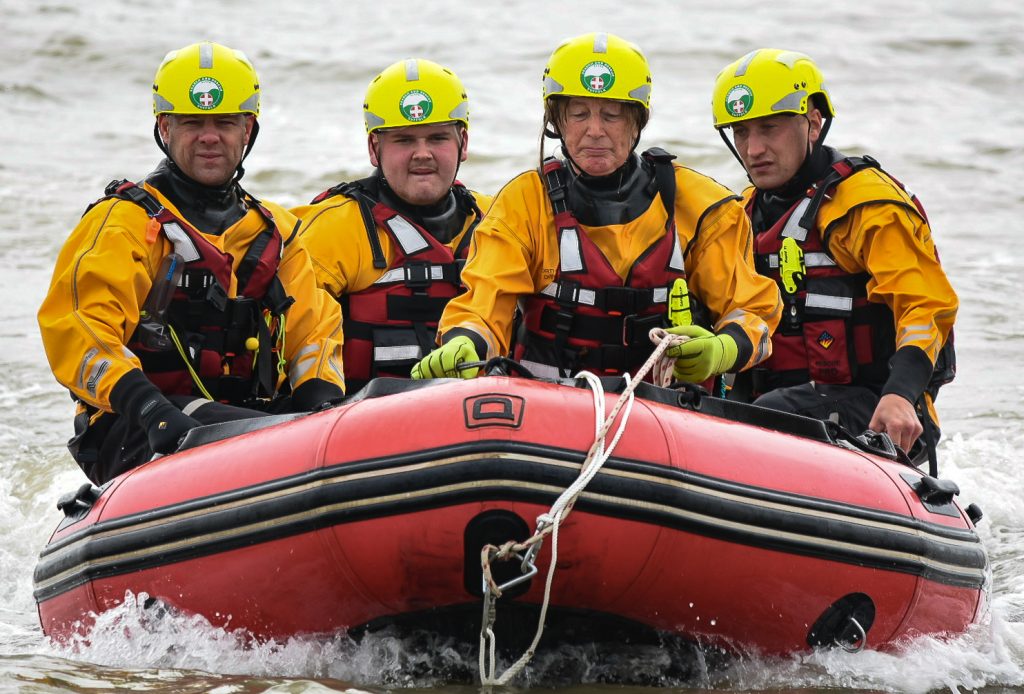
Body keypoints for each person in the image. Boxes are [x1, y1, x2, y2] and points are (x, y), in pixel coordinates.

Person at [38, 41, 346, 485]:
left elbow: (314, 334)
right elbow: (79, 331)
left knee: (335, 421)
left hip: (250, 421)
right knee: (250, 431)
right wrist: (151, 408)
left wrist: (325, 409)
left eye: (225, 123)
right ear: (165, 127)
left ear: (248, 129)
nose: (209, 137)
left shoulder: (278, 233)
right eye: (192, 123)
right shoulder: (123, 223)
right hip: (139, 424)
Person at [411, 32, 781, 384]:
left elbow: (751, 309)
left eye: (611, 115)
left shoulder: (701, 205)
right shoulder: (523, 203)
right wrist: (466, 341)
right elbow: (484, 303)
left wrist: (723, 349)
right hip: (550, 400)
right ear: (556, 121)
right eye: (579, 114)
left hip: (664, 402)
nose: (595, 131)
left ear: (637, 121)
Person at [710, 48, 957, 460]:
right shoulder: (742, 213)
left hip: (877, 406)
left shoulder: (867, 207)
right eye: (741, 133)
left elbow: (924, 305)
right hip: (779, 401)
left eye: (769, 129)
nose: (753, 149)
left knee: (766, 414)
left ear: (812, 123)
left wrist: (900, 394)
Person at [293, 59, 492, 392]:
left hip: (475, 406)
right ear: (375, 148)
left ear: (464, 143)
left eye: (437, 138)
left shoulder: (496, 219)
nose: (422, 153)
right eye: (404, 140)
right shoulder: (333, 228)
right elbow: (302, 336)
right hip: (363, 412)